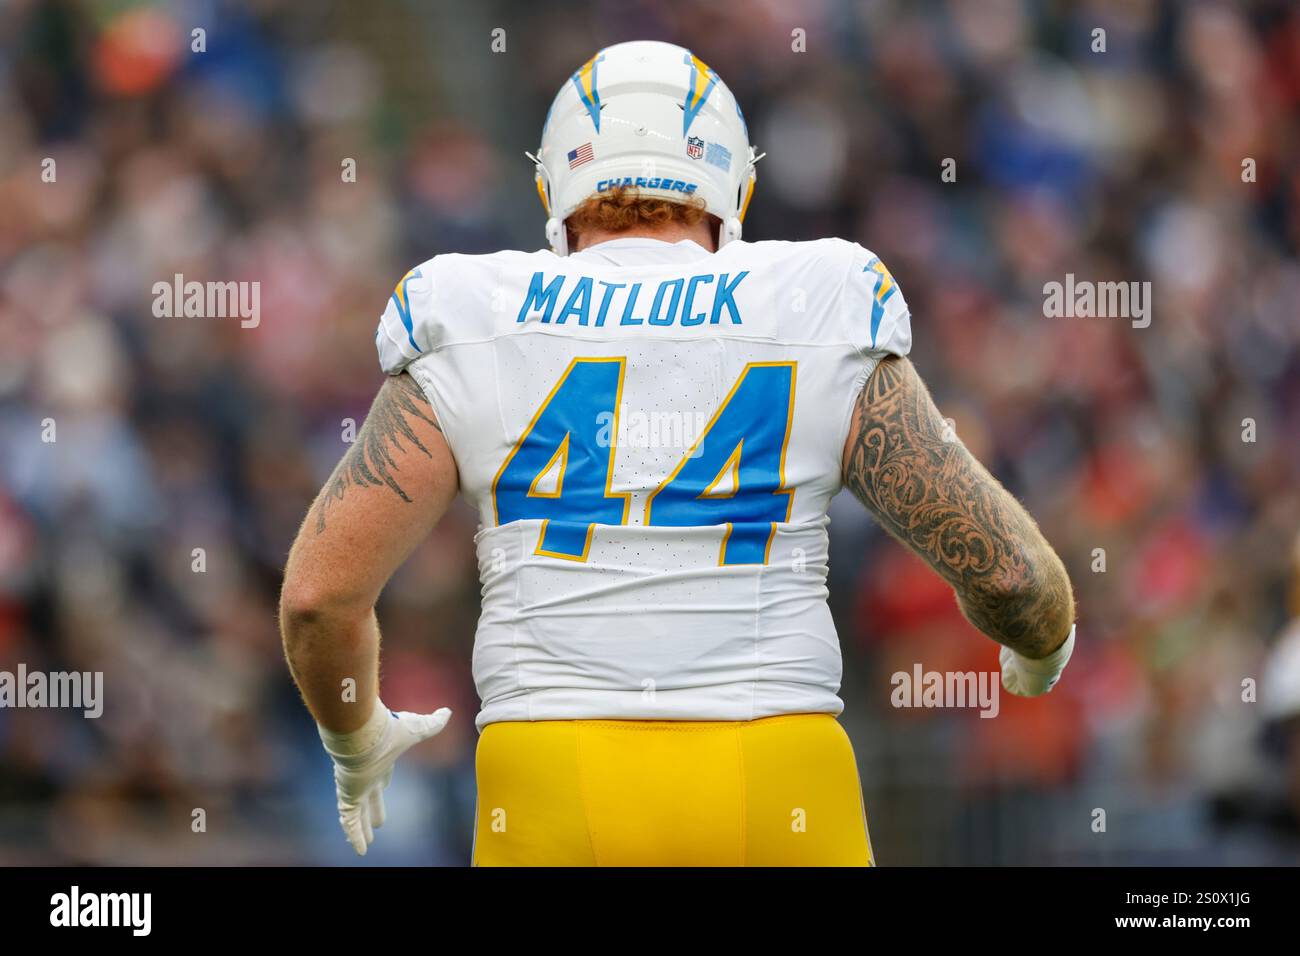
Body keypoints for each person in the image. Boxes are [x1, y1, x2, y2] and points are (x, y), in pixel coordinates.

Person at [279, 40, 1076, 866]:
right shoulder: (817, 299)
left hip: (551, 786)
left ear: (555, 187)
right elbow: (1012, 575)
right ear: (734, 185)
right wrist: (1041, 648)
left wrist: (357, 738)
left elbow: (319, 598)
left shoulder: (471, 312)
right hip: (779, 783)